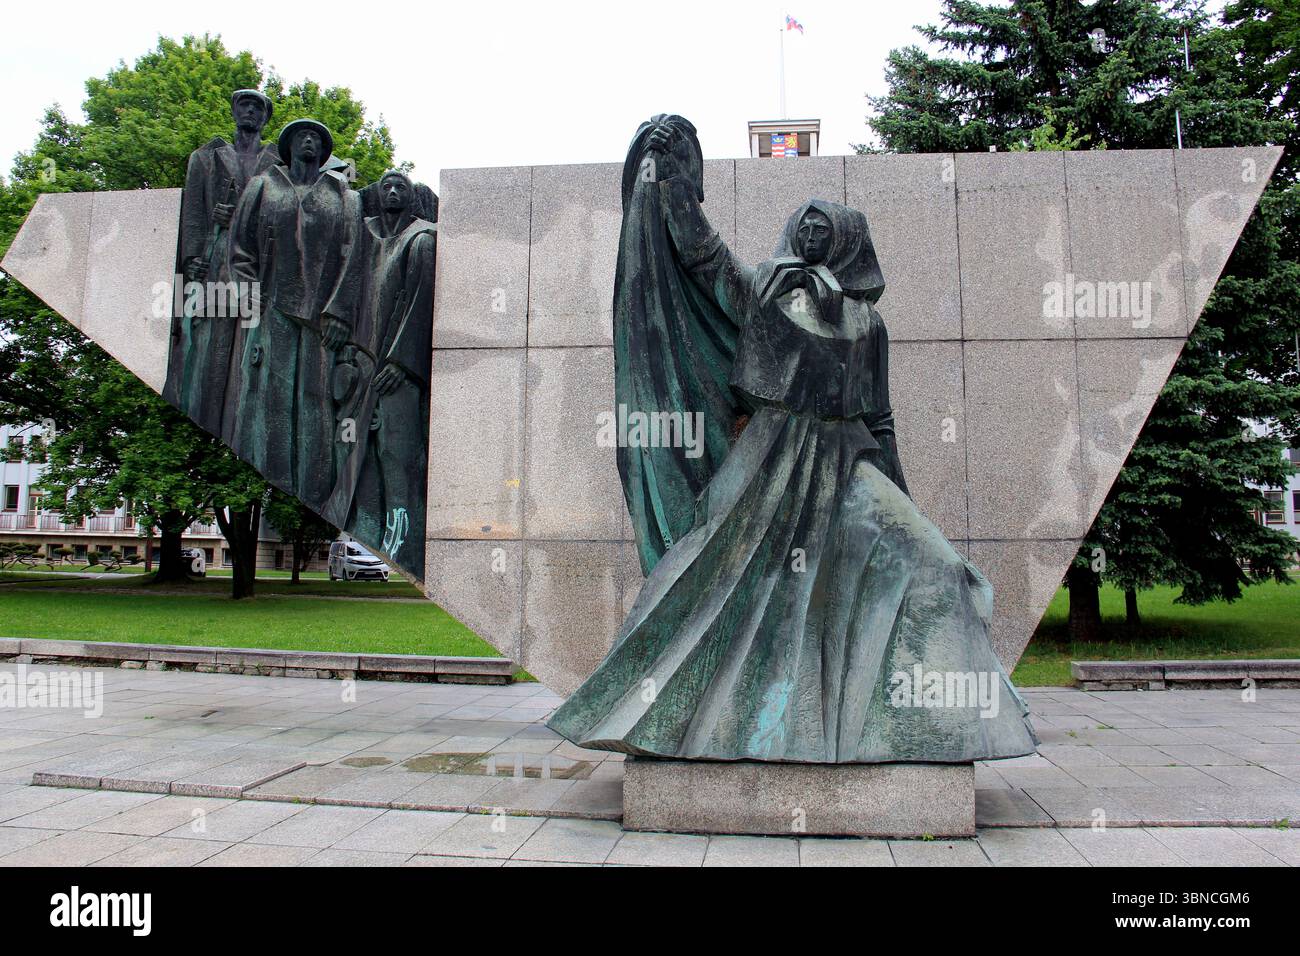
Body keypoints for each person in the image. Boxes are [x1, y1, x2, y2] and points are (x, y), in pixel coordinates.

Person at [548, 117, 1039, 764]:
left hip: (846, 466)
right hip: (771, 467)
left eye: (823, 226)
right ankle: (698, 714)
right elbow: (703, 259)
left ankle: (944, 722)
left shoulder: (869, 323)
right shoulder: (766, 293)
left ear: (847, 242)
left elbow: (882, 417)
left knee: (937, 567)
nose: (810, 232)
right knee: (708, 579)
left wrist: (904, 497)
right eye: (803, 223)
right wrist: (667, 179)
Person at [227, 118, 360, 511]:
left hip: (323, 319)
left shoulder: (343, 196)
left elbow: (354, 260)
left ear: (323, 150)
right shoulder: (264, 187)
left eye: (316, 137)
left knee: (318, 403)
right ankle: (279, 480)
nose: (308, 140)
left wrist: (340, 313)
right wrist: (252, 300)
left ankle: (316, 489)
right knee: (273, 399)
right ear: (288, 146)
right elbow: (239, 249)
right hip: (274, 309)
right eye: (301, 135)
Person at [322, 170, 436, 573]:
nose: (391, 191)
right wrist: (336, 317)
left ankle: (402, 542)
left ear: (411, 198)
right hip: (361, 364)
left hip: (397, 372)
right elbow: (348, 282)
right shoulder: (366, 235)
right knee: (358, 455)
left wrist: (402, 363)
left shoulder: (422, 239)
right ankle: (368, 531)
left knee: (397, 455)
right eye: (385, 186)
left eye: (400, 187)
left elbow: (421, 306)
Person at [164, 89, 280, 437]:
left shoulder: (277, 164)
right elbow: (194, 213)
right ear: (233, 111)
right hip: (214, 263)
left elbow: (282, 219)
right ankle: (209, 425)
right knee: (211, 355)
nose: (249, 110)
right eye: (244, 104)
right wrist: (191, 258)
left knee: (253, 354)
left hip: (256, 269)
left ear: (264, 118)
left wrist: (248, 221)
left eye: (257, 107)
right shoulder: (205, 157)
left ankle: (245, 431)